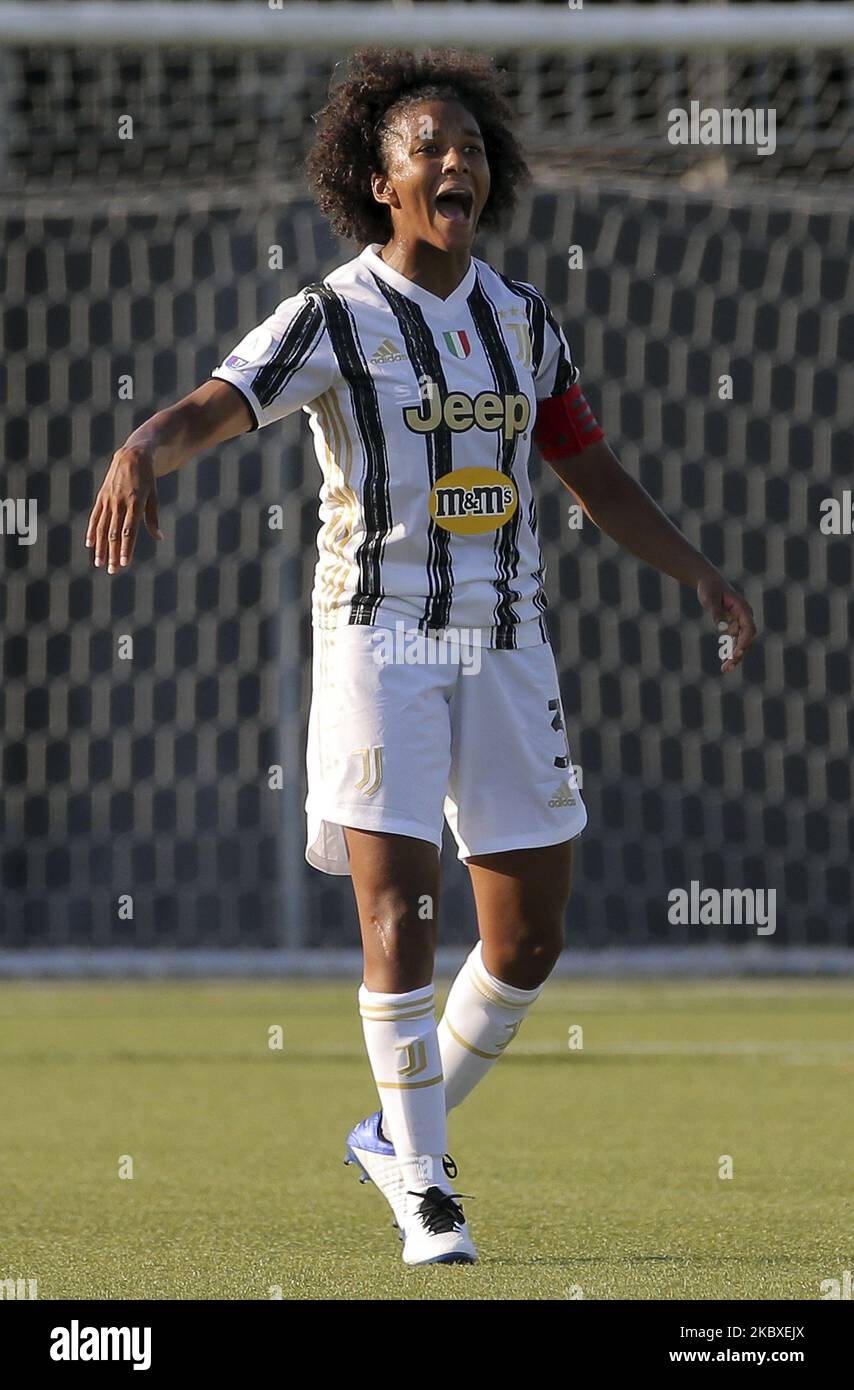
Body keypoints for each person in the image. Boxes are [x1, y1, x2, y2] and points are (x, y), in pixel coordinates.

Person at [86, 47, 757, 1267]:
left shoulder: (520, 320)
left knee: (528, 935)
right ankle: (427, 1192)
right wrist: (140, 446)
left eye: (468, 144)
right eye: (424, 147)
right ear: (378, 182)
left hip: (505, 643)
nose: (455, 159)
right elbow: (215, 402)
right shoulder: (331, 316)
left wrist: (696, 569)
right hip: (376, 641)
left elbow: (590, 471)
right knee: (398, 908)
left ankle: (396, 1128)